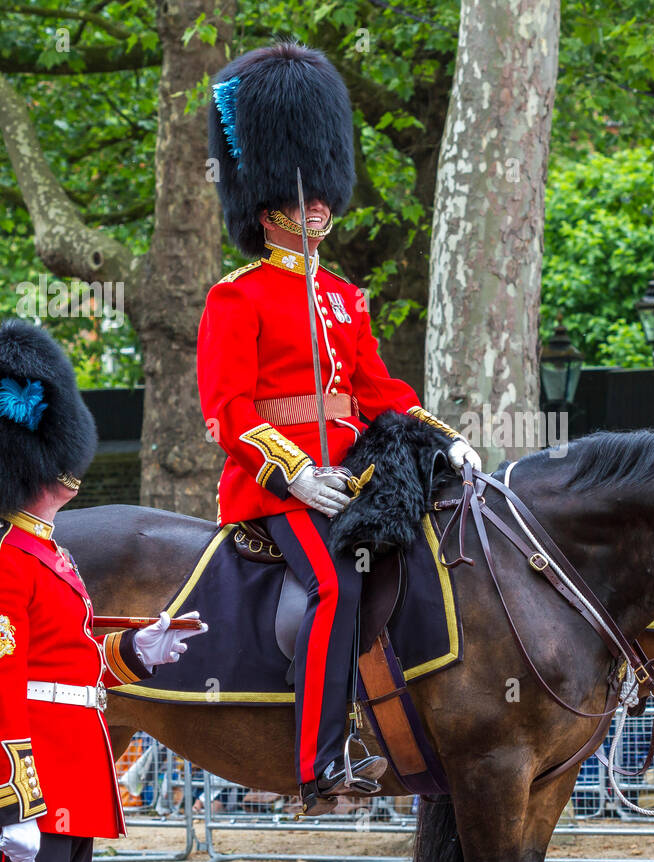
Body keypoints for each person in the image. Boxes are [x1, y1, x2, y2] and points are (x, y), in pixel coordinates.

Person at [200, 43, 481, 815]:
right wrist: (291, 472)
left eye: (325, 195)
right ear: (268, 209)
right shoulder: (239, 297)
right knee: (334, 584)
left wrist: (439, 435)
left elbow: (376, 389)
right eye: (305, 198)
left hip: (351, 474)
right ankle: (317, 762)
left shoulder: (345, 297)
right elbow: (228, 410)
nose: (320, 207)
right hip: (277, 490)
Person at [0, 320, 208, 862]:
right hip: (31, 791)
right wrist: (14, 806)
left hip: (72, 780)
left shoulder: (47, 553)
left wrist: (131, 655)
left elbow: (59, 669)